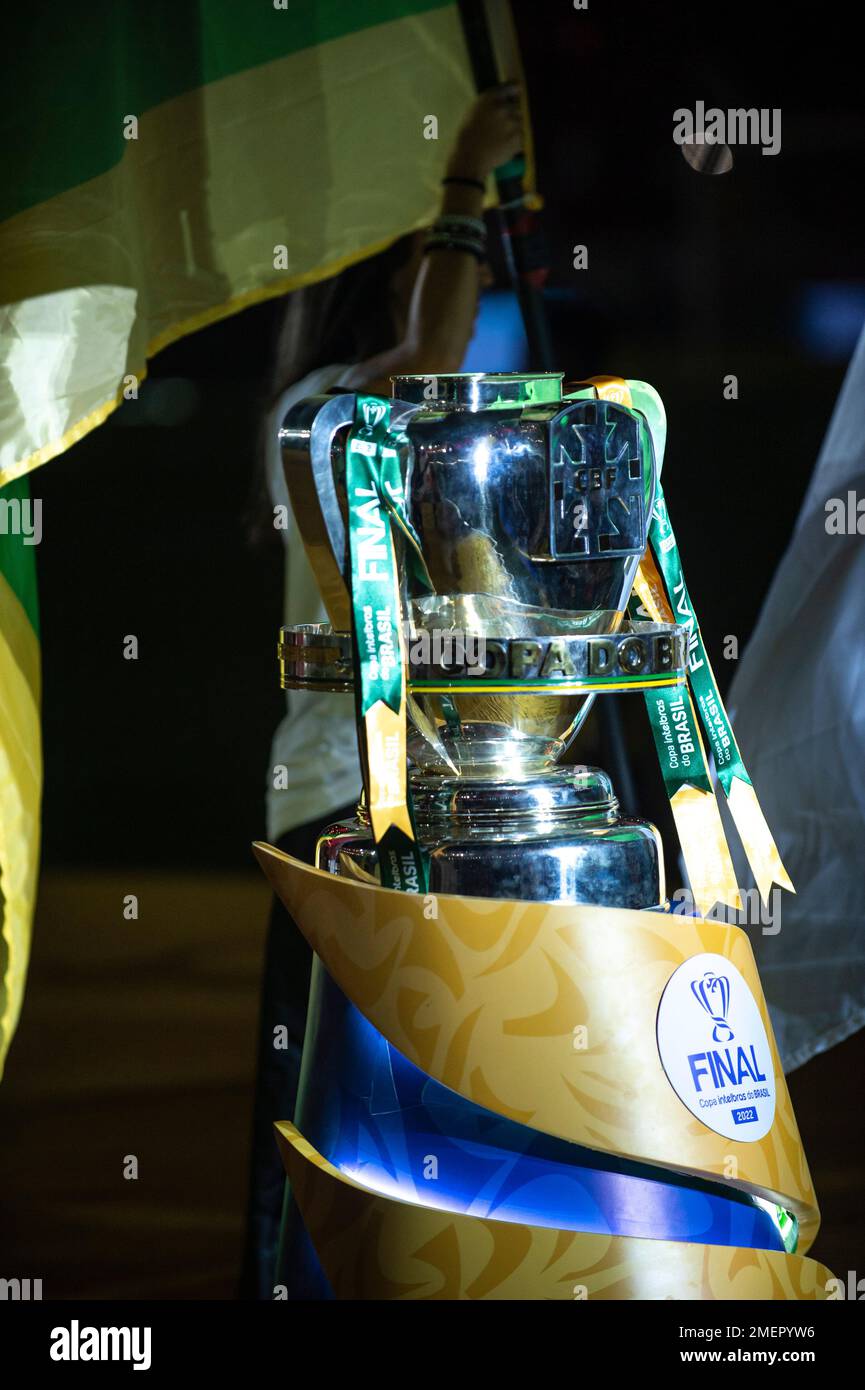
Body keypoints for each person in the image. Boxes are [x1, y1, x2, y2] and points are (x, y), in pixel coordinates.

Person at [240, 84, 524, 1299]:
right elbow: (436, 351)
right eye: (417, 266)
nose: (440, 281)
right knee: (328, 1123)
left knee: (413, 1113)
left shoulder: (388, 430)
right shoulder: (320, 418)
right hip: (340, 813)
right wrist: (463, 181)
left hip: (409, 808)